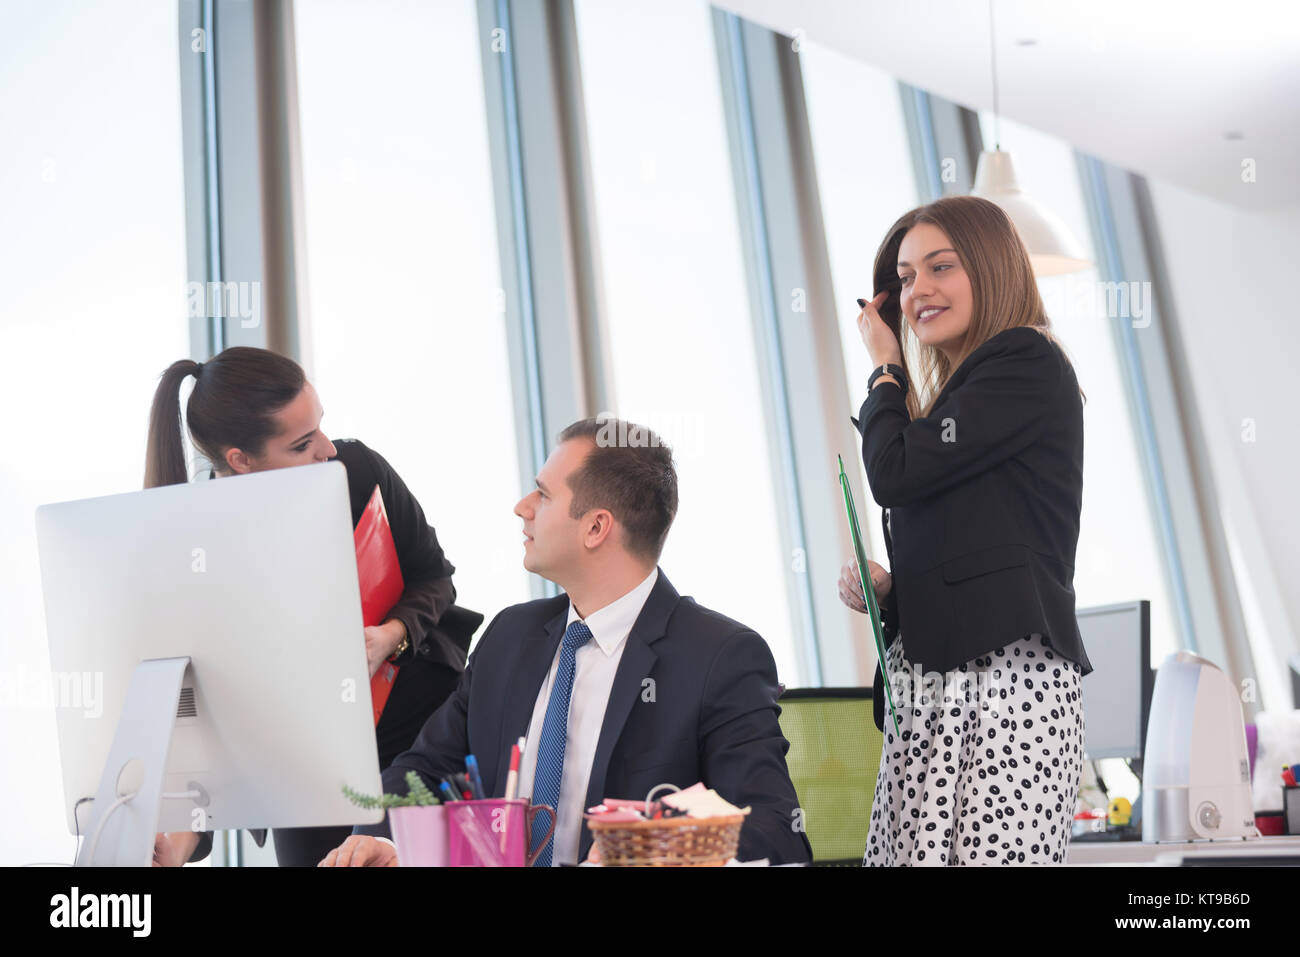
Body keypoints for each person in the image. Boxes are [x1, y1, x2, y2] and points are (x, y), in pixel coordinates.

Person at [320, 416, 812, 866]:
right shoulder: (509, 637)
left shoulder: (719, 656)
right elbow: (425, 768)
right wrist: (381, 839)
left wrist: (648, 850)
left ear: (596, 527)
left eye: (543, 494)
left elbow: (777, 830)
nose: (522, 507)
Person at [142, 346, 476, 866]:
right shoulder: (194, 537)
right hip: (302, 773)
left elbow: (435, 576)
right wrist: (184, 837)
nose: (326, 450)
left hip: (416, 732)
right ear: (240, 461)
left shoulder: (360, 471)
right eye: (301, 444)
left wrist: (391, 634)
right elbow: (208, 702)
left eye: (321, 427)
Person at [838, 194, 1091, 866]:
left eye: (939, 267)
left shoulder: (1024, 359)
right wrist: (898, 591)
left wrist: (885, 369)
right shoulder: (968, 396)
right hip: (943, 689)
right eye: (906, 276)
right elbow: (972, 541)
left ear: (990, 265)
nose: (918, 289)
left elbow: (893, 469)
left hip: (1002, 687)